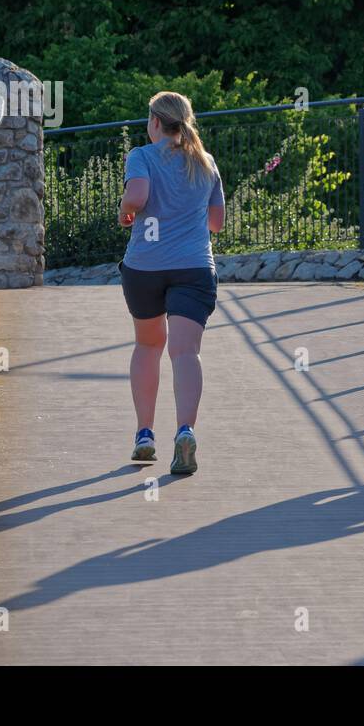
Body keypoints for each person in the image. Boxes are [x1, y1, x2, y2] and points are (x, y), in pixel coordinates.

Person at [117, 91, 225, 475]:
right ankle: (185, 430)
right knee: (185, 352)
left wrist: (126, 211)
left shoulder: (141, 156)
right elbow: (217, 223)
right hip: (194, 267)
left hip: (146, 267)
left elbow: (138, 195)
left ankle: (145, 434)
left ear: (155, 123)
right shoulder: (206, 162)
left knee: (148, 345)